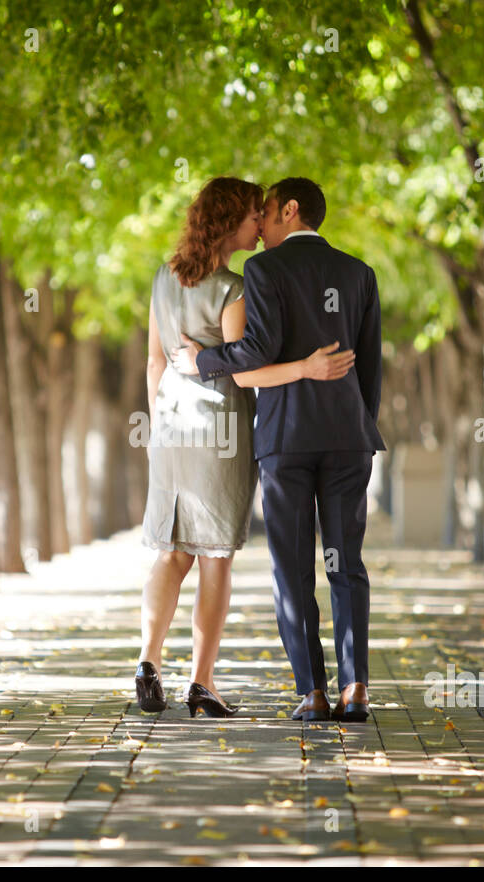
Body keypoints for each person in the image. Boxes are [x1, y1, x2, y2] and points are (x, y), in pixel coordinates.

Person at [136, 176, 355, 718]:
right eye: (254, 215)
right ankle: (202, 682)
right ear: (230, 221)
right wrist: (306, 368)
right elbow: (248, 372)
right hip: (220, 432)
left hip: (168, 427)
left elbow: (154, 363)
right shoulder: (234, 287)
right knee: (214, 557)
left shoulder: (163, 279)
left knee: (172, 549)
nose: (261, 223)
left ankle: (147, 660)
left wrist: (157, 428)